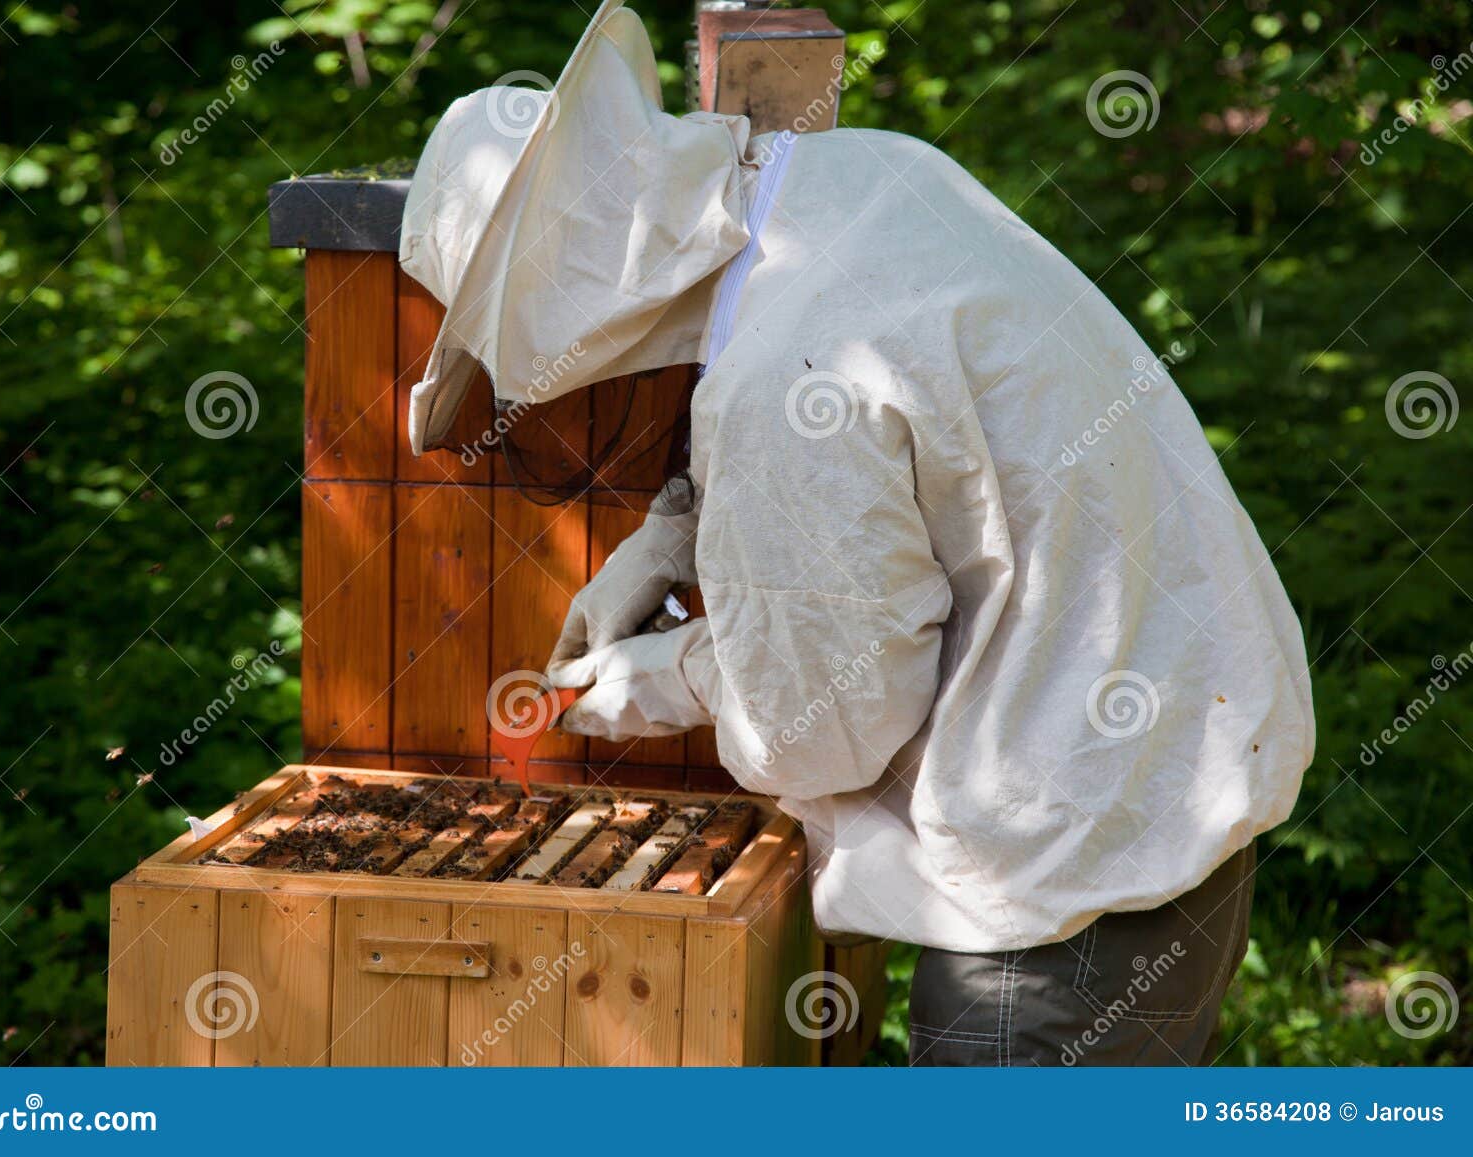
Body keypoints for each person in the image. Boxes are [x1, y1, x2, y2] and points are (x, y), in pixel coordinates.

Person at [397, 0, 1314, 1065]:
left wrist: (671, 676)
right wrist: (672, 536)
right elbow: (915, 447)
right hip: (1169, 789)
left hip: (1057, 899)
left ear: (565, 291)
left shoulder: (784, 390)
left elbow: (831, 722)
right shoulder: (866, 178)